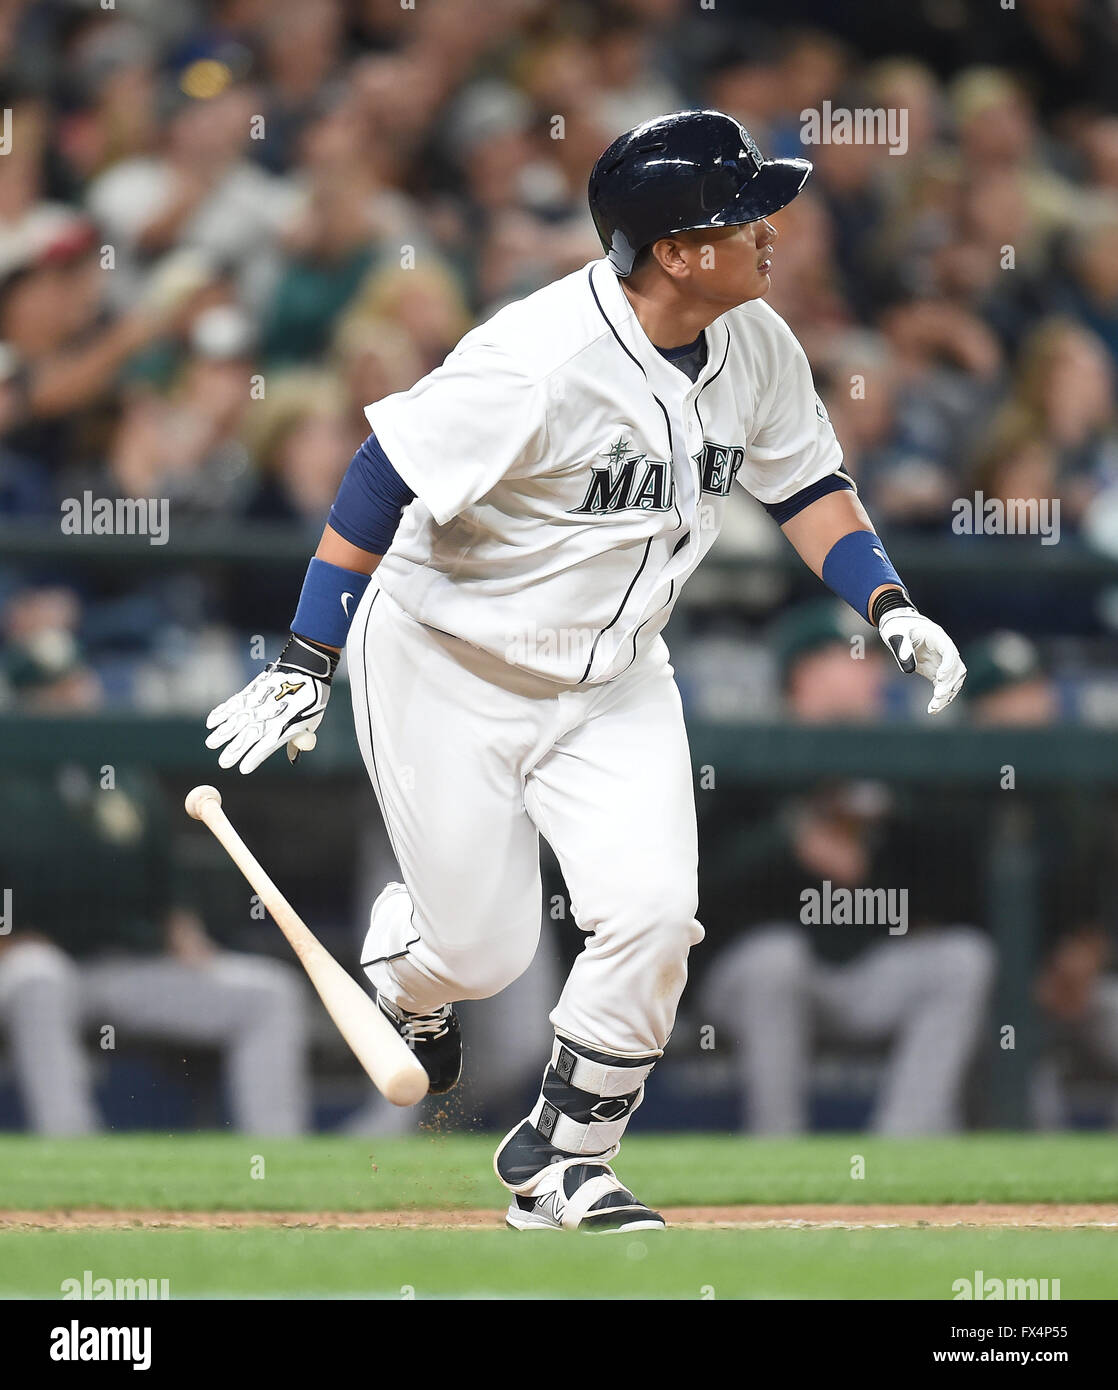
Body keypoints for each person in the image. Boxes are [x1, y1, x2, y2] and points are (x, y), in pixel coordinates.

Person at [203, 110, 966, 1231]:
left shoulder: (753, 339)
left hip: (612, 675)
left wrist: (887, 602)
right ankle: (406, 967)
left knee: (654, 912)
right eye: (741, 215)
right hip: (444, 663)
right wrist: (308, 656)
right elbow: (379, 475)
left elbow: (805, 486)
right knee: (482, 950)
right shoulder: (537, 357)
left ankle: (564, 1159)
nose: (771, 231)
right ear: (671, 251)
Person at [699, 602, 993, 1135]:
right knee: (775, 960)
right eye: (850, 658)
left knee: (963, 959)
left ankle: (902, 1149)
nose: (872, 674)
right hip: (757, 976)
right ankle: (778, 1146)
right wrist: (791, 842)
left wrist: (887, 828)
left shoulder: (897, 763)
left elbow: (965, 881)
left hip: (866, 968)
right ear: (803, 676)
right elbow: (699, 892)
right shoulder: (746, 755)